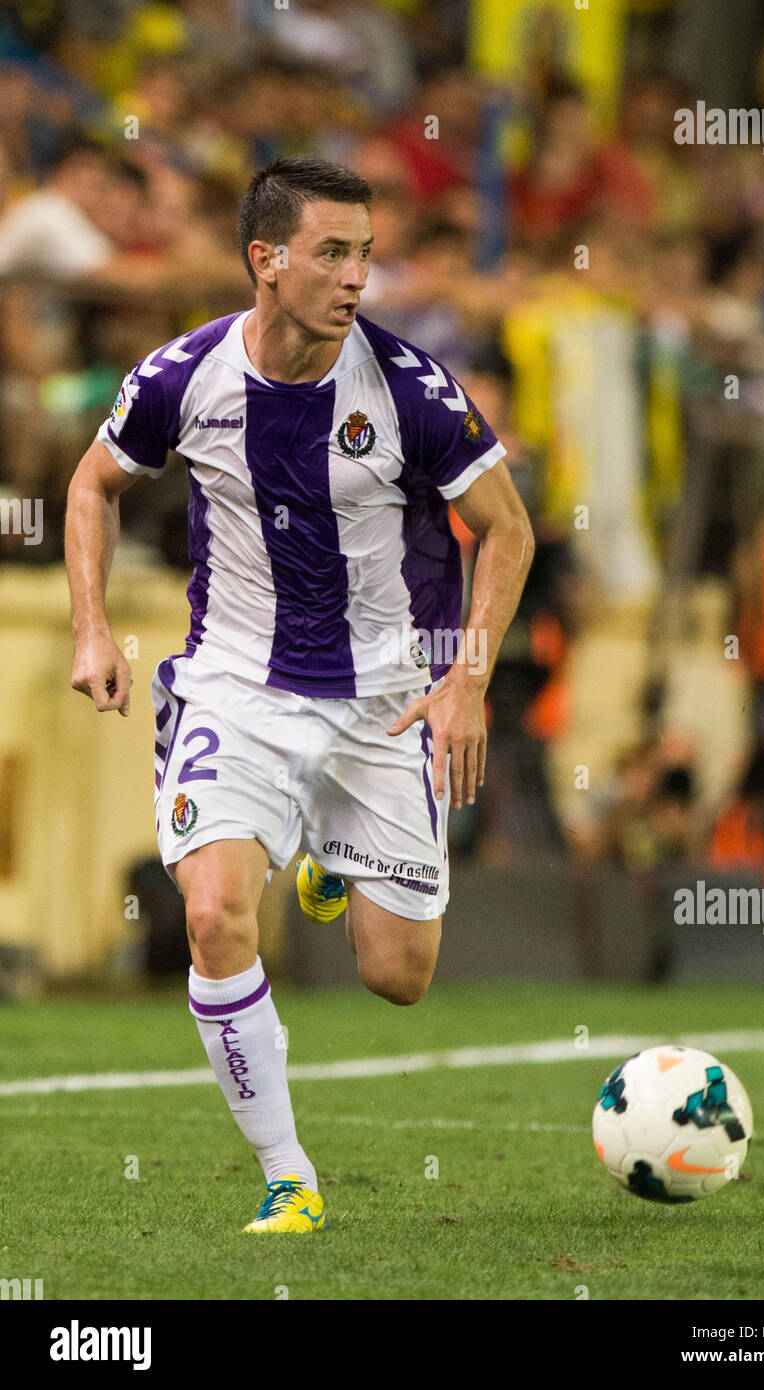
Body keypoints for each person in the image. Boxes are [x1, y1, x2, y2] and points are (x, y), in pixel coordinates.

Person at [64, 157, 534, 1235]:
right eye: (332, 253)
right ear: (265, 261)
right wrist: (91, 623)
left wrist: (466, 677)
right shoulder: (183, 376)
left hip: (383, 702)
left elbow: (507, 529)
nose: (357, 276)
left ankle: (329, 854)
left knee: (397, 976)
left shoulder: (412, 389)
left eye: (365, 253)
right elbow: (92, 483)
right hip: (236, 687)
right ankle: (290, 1177)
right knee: (215, 915)